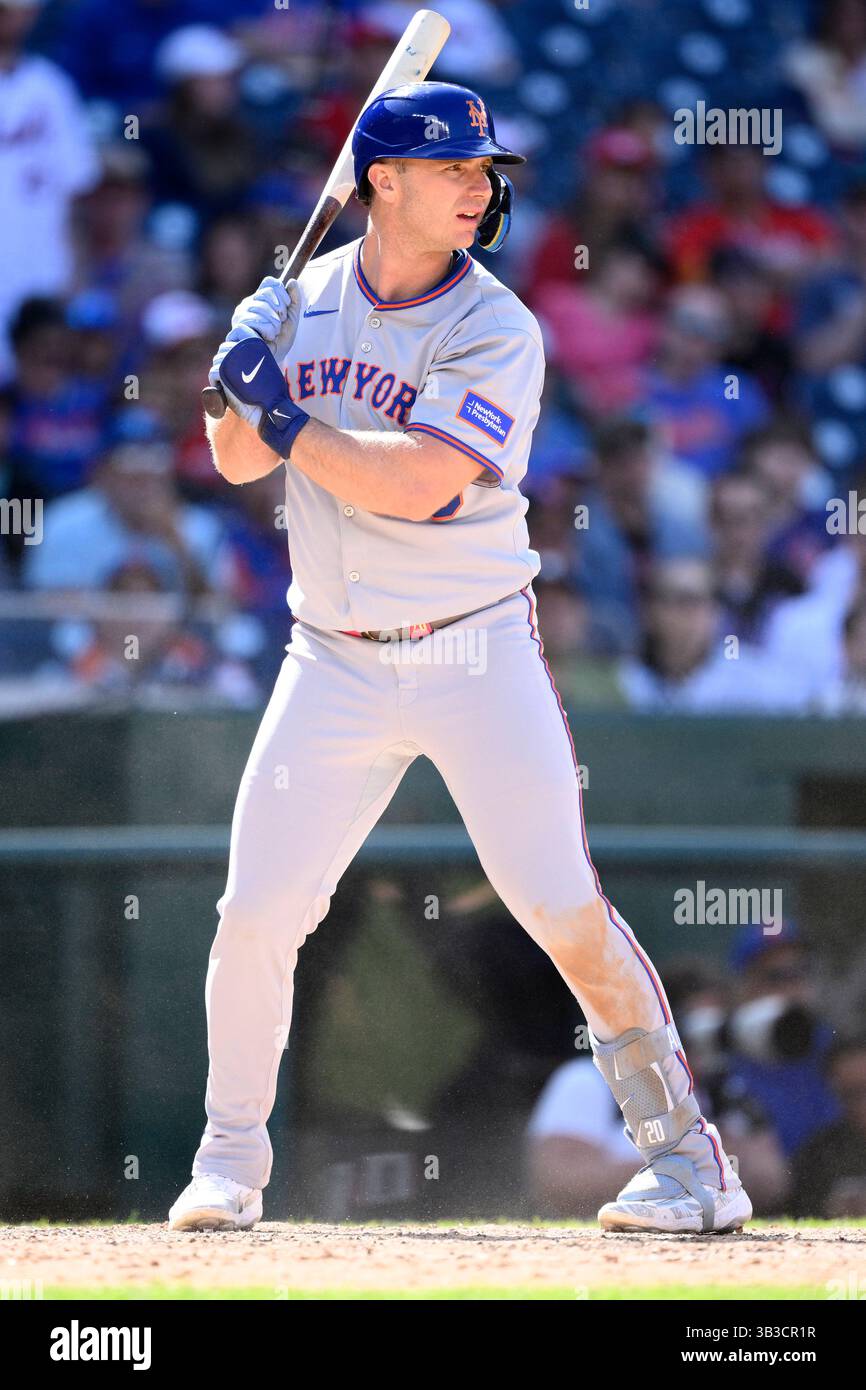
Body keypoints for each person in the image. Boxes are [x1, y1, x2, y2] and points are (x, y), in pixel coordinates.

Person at [167, 81, 752, 1237]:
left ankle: (691, 1162)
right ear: (379, 180)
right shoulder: (308, 295)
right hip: (328, 654)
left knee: (558, 905)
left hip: (473, 645)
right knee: (255, 910)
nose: (481, 188)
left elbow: (418, 485)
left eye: (488, 171)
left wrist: (277, 412)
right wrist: (231, 378)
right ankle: (228, 1165)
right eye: (455, 169)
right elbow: (234, 458)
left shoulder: (495, 326)